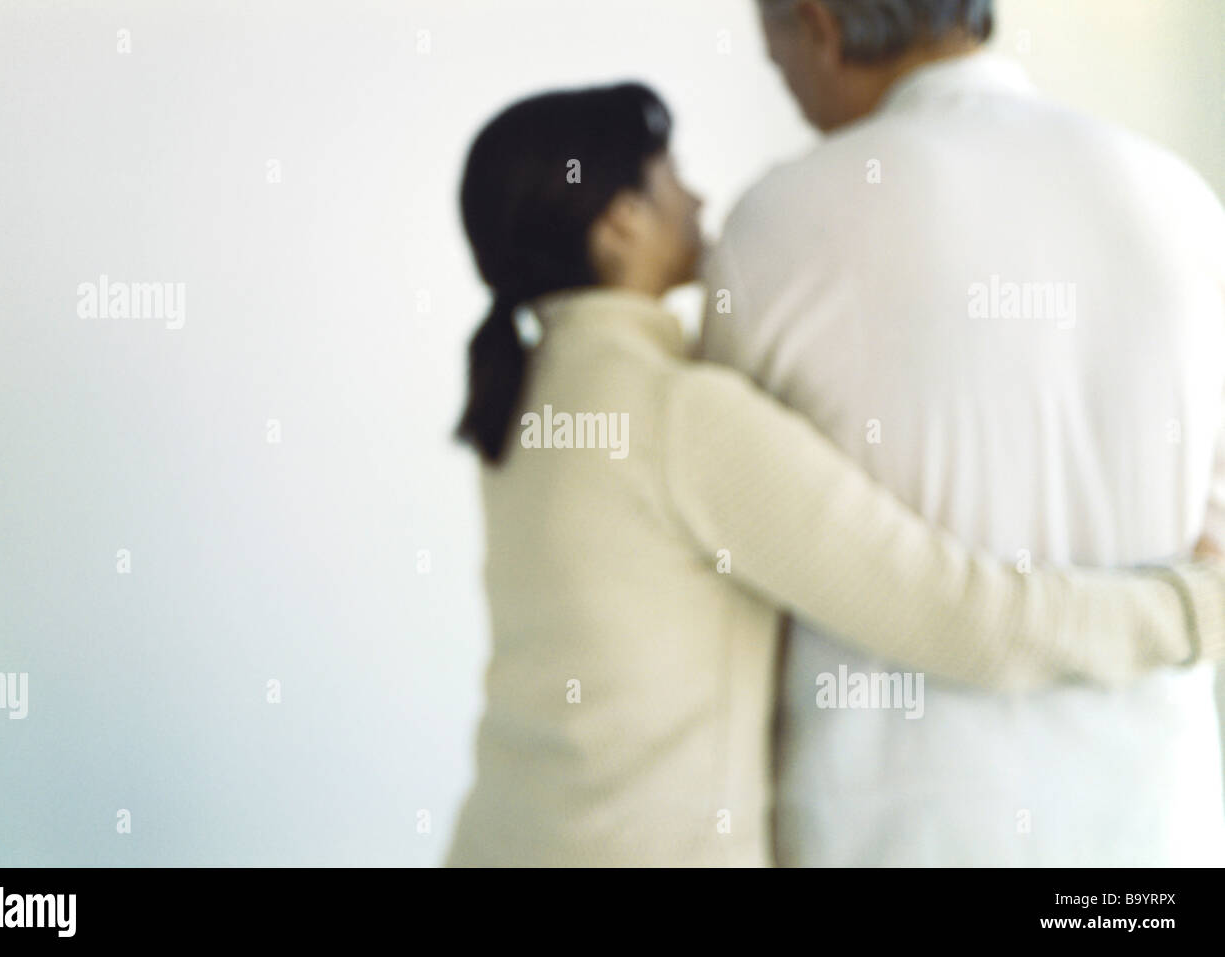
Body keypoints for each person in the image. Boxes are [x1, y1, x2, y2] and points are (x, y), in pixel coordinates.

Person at [444, 81, 1225, 867]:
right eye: (670, 174)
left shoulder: (528, 394)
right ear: (618, 224)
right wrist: (1197, 607)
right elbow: (961, 616)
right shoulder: (673, 416)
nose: (698, 195)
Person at [699, 0, 1225, 865]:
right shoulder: (1178, 196)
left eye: (777, 54)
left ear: (821, 27)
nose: (786, 84)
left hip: (891, 832)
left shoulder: (777, 225)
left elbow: (729, 556)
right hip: (1150, 838)